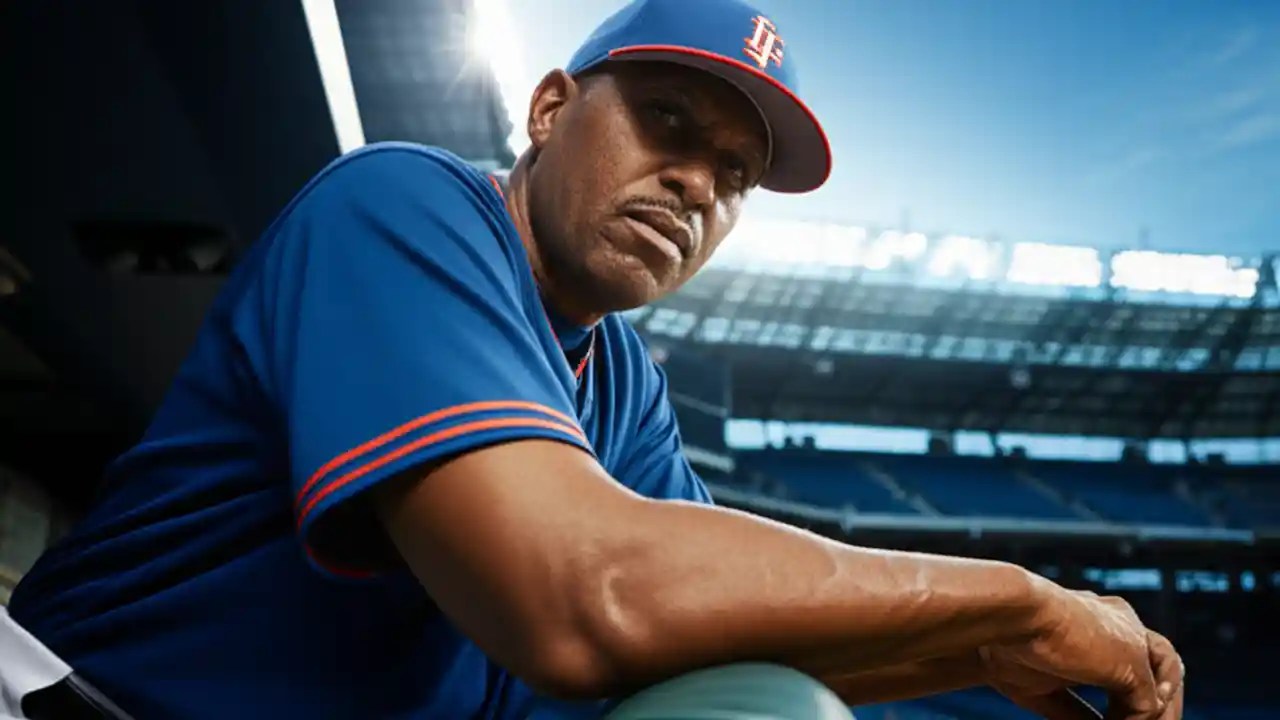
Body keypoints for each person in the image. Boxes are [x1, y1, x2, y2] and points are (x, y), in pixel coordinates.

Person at [4, 0, 1185, 718]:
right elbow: (585, 603)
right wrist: (1020, 600)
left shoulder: (622, 380)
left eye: (732, 176)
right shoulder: (404, 208)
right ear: (552, 108)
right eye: (669, 122)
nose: (696, 185)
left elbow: (714, 623)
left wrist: (975, 651)